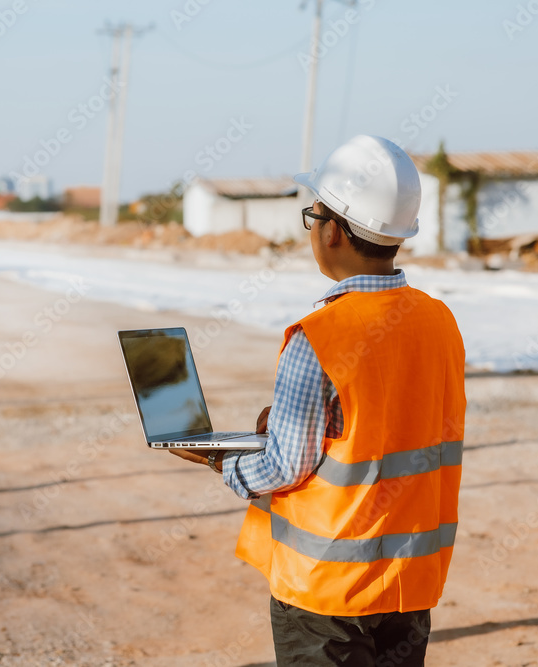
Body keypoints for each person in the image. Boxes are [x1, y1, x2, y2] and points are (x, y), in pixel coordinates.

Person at [169, 135, 466, 667]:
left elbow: (286, 464)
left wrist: (219, 458)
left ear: (331, 229)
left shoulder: (318, 338)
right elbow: (391, 426)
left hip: (327, 590)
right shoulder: (438, 322)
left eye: (313, 215)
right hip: (408, 581)